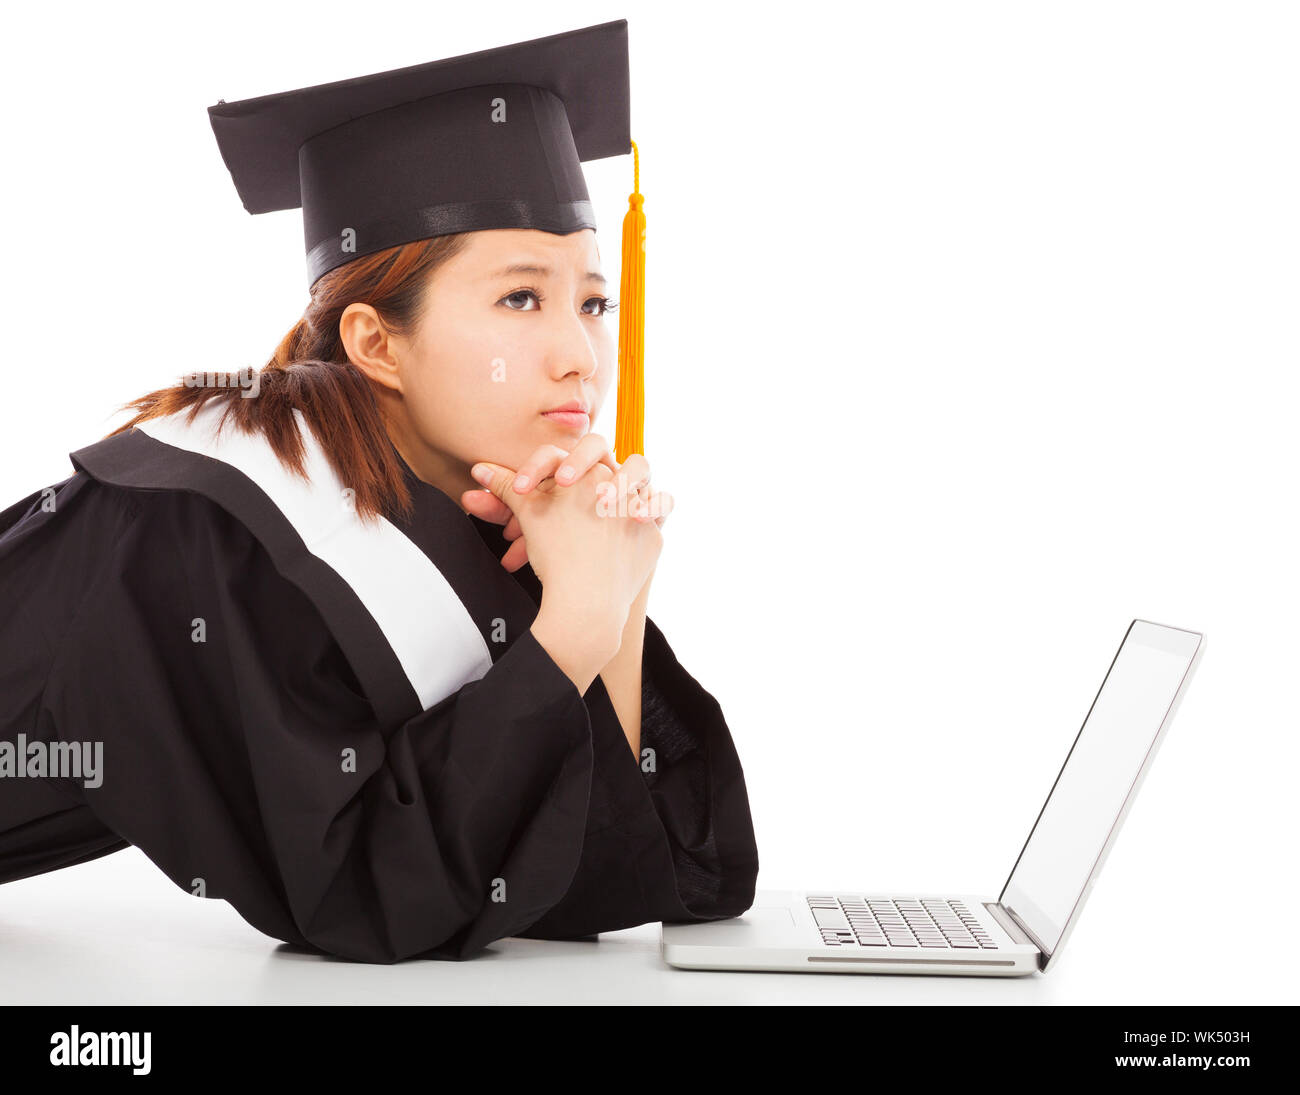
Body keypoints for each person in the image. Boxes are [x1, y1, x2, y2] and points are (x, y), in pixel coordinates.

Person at [0, 20, 759, 964]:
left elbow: (605, 873)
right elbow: (362, 897)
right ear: (374, 342)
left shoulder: (458, 513)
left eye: (592, 302)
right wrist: (570, 629)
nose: (581, 354)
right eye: (520, 298)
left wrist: (615, 595)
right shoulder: (219, 528)